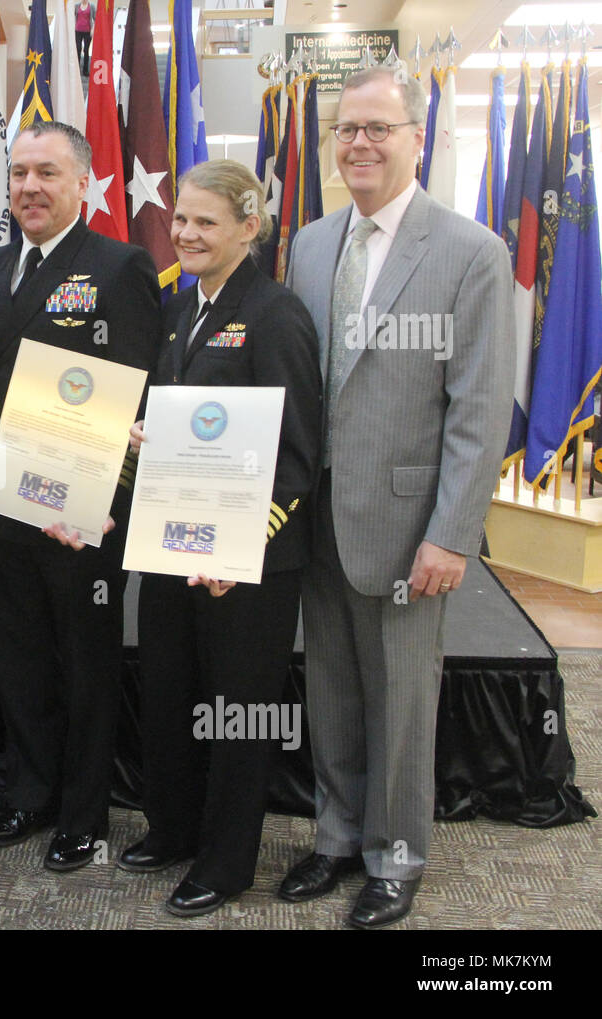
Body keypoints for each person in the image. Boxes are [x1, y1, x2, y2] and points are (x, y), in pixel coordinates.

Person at [280, 66, 514, 927]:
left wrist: (452, 534)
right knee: (332, 689)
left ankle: (396, 857)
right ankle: (338, 837)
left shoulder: (470, 252)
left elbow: (478, 412)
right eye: (346, 130)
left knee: (404, 701)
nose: (359, 144)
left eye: (379, 128)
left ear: (419, 137)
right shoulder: (308, 243)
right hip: (319, 523)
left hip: (413, 526)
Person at [112, 160, 321, 916]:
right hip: (174, 544)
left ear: (248, 226)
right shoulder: (179, 306)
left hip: (248, 563)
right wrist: (140, 448)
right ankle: (172, 827)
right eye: (182, 219)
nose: (188, 233)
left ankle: (227, 862)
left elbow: (297, 458)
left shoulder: (275, 314)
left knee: (236, 711)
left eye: (206, 221)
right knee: (169, 693)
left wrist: (246, 550)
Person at [0, 121, 160, 871]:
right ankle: (29, 792)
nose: (28, 188)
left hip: (87, 514)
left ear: (83, 181)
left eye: (47, 173)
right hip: (15, 499)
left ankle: (83, 814)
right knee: (20, 657)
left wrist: (99, 498)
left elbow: (137, 394)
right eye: (18, 174)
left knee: (86, 664)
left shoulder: (120, 267)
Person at [74, 0, 92, 77]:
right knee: (78, 49)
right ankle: (76, 70)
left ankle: (85, 70)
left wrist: (93, 29)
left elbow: (94, 18)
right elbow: (73, 16)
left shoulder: (91, 6)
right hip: (78, 30)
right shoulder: (77, 5)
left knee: (86, 50)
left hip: (87, 31)